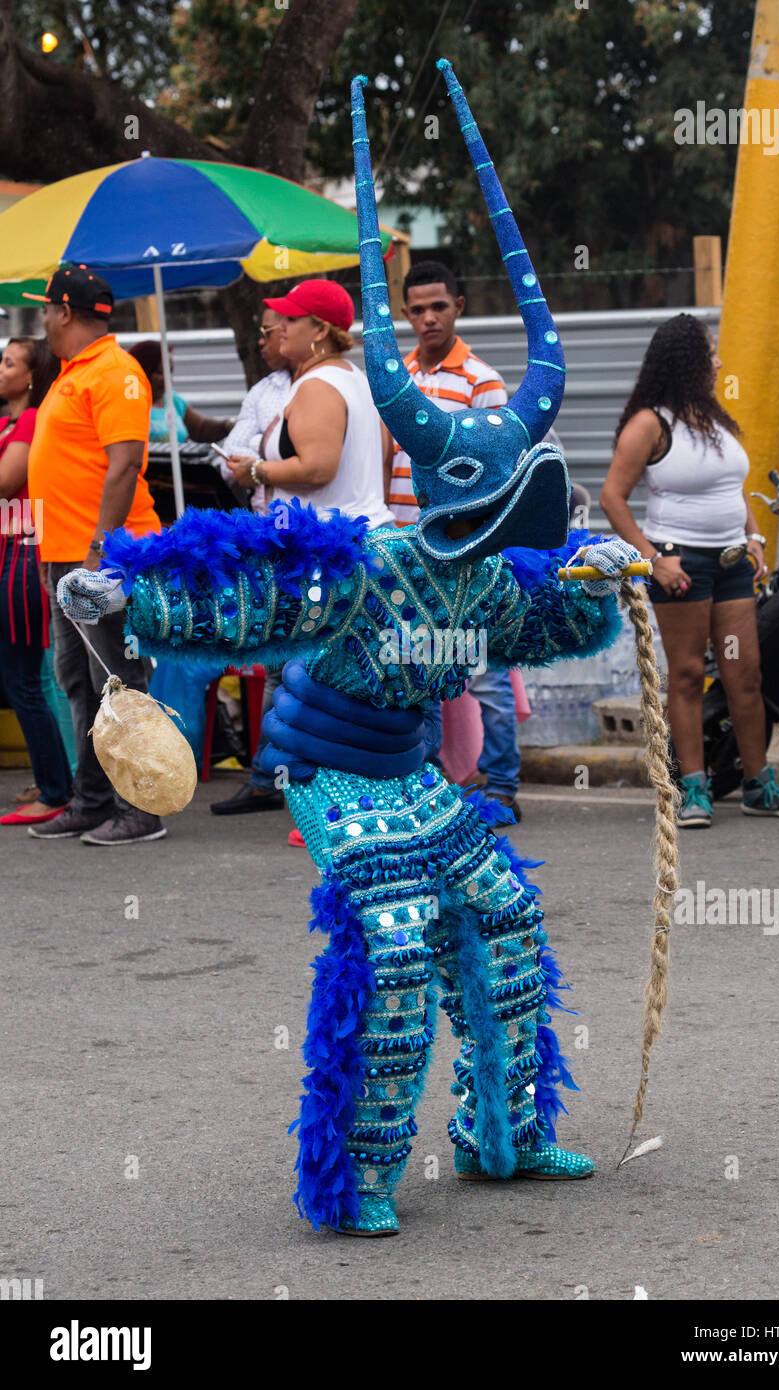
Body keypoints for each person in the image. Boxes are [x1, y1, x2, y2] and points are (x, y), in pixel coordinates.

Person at [57, 61, 642, 1237]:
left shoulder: (493, 581)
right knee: (392, 950)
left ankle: (505, 1133)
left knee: (507, 928)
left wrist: (606, 577)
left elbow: (563, 621)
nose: (503, 542)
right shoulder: (370, 563)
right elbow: (248, 601)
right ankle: (361, 1173)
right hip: (334, 774)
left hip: (419, 777)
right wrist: (124, 597)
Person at [600, 312, 779, 825]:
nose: (718, 362)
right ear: (686, 362)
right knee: (689, 674)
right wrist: (653, 563)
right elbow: (612, 497)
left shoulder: (714, 418)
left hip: (731, 564)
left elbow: (731, 487)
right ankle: (692, 789)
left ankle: (757, 784)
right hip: (683, 566)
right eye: (710, 354)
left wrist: (754, 536)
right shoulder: (650, 423)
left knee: (746, 674)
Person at [211, 279, 394, 818]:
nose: (277, 328)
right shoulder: (354, 381)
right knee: (331, 672)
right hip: (350, 542)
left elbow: (318, 467)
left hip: (327, 550)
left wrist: (257, 470)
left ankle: (327, 799)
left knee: (315, 675)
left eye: (290, 319)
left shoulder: (318, 387)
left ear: (319, 331)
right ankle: (297, 784)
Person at [23, 265, 165, 846]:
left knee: (119, 681)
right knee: (79, 681)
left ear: (62, 312)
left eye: (46, 309)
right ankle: (93, 799)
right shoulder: (71, 374)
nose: (43, 319)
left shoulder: (115, 372)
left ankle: (141, 807)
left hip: (103, 555)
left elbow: (126, 463)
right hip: (67, 555)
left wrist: (99, 550)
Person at [386, 258, 523, 819]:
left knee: (484, 670)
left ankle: (503, 784)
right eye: (416, 309)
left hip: (468, 548)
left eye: (438, 306)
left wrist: (481, 538)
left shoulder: (482, 381)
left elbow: (501, 472)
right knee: (420, 664)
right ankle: (433, 784)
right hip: (405, 544)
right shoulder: (399, 381)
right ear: (405, 314)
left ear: (459, 308)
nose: (428, 318)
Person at [0, 336, 73, 826]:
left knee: (26, 679)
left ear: (31, 376)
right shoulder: (11, 420)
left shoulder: (30, 419)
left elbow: (6, 484)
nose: (0, 368)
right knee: (24, 678)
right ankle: (54, 779)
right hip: (11, 551)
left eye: (9, 362)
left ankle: (56, 789)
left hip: (24, 553)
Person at [126, 341, 234, 444]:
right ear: (143, 371)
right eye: (160, 372)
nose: (168, 379)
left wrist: (227, 425)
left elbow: (201, 428)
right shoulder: (129, 402)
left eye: (170, 372)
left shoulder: (172, 400)